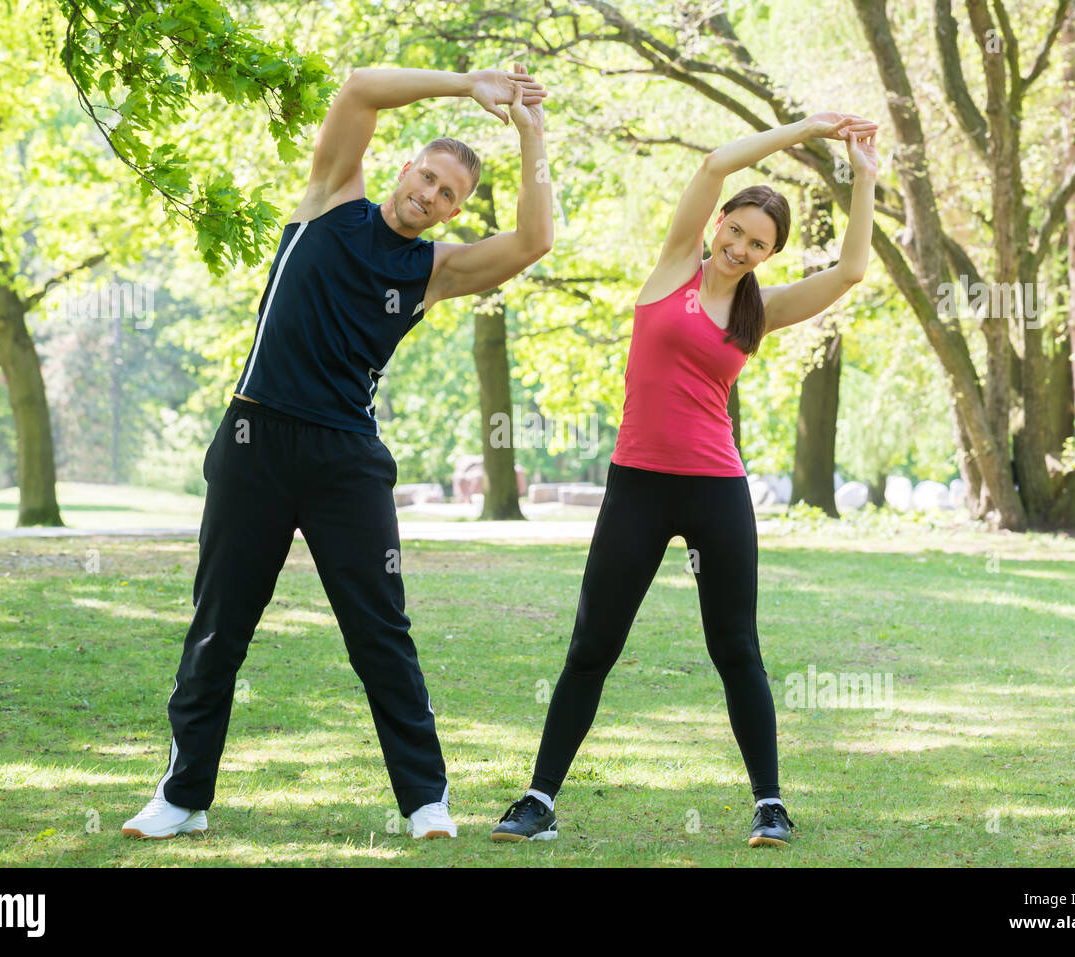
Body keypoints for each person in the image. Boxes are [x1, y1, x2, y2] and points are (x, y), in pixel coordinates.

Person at [122, 63, 552, 841]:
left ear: (455, 209)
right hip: (253, 439)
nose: (431, 195)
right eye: (427, 175)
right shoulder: (329, 199)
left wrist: (530, 132)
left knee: (379, 631)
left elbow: (533, 240)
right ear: (403, 167)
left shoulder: (434, 269)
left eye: (449, 194)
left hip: (346, 457)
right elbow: (358, 88)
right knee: (219, 624)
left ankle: (426, 800)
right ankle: (182, 796)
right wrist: (466, 84)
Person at [491, 113, 878, 847]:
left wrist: (862, 177)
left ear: (768, 255)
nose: (739, 247)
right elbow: (712, 164)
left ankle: (770, 804)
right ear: (719, 224)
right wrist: (800, 130)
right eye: (735, 230)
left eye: (758, 244)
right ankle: (538, 800)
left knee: (736, 647)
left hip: (715, 490)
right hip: (637, 484)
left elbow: (852, 271)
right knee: (590, 647)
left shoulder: (757, 313)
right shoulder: (673, 268)